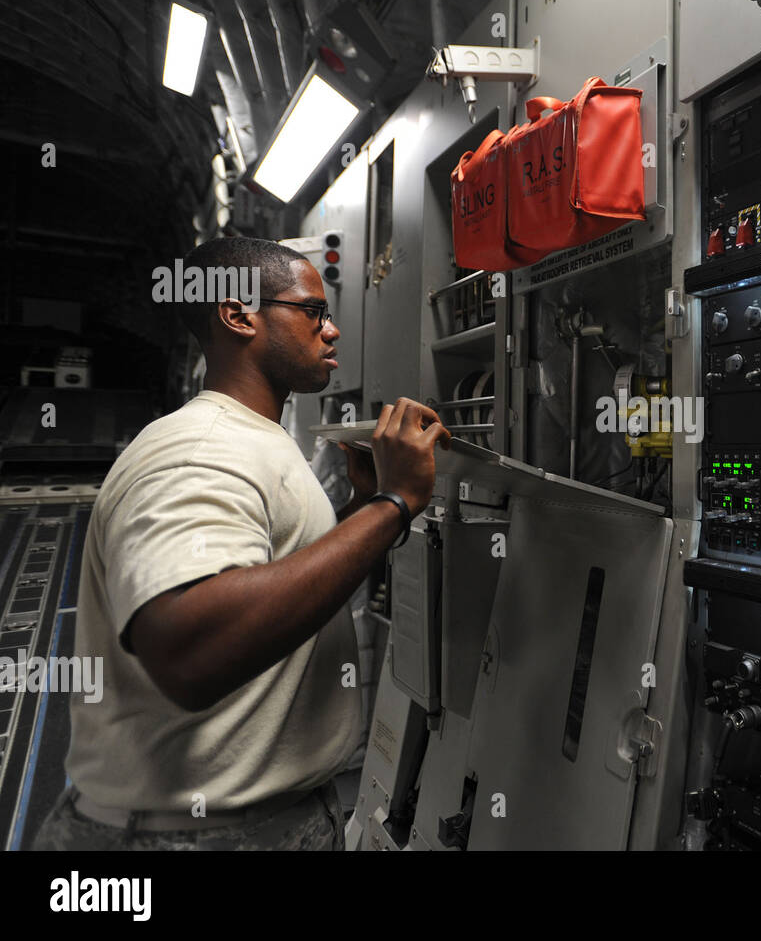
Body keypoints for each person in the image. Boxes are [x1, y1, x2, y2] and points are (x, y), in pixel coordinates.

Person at [33, 236, 450, 850]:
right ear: (237, 315)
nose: (332, 330)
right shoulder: (200, 450)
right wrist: (394, 506)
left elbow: (270, 574)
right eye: (313, 311)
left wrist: (362, 507)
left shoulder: (251, 439)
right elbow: (189, 651)